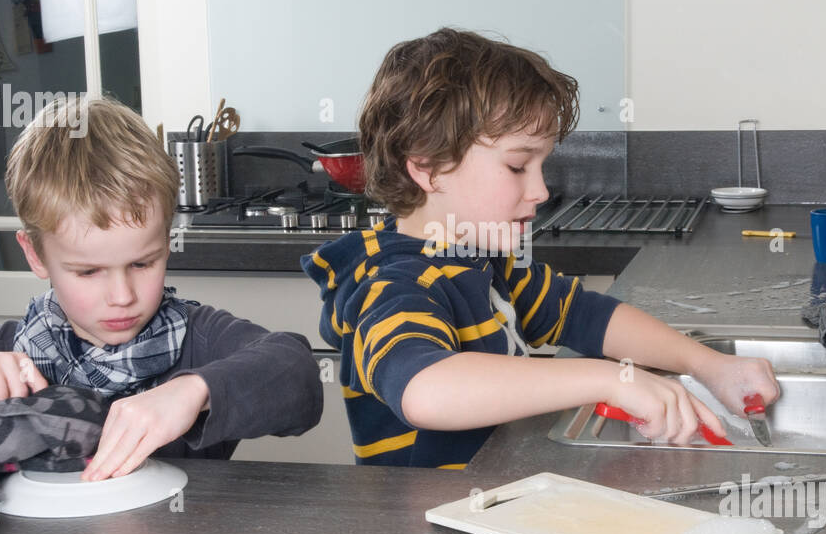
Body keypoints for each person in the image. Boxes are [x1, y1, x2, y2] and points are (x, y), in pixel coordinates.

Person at [302, 28, 778, 467]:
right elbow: (425, 389)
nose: (541, 190)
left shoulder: (485, 262)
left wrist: (708, 363)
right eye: (517, 167)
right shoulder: (393, 285)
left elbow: (587, 317)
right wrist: (612, 379)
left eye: (541, 165)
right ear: (428, 168)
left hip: (493, 504)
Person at [0, 96, 322, 479]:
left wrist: (195, 391)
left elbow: (298, 379)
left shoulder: (199, 340)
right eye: (89, 272)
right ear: (35, 255)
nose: (123, 295)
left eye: (143, 263)